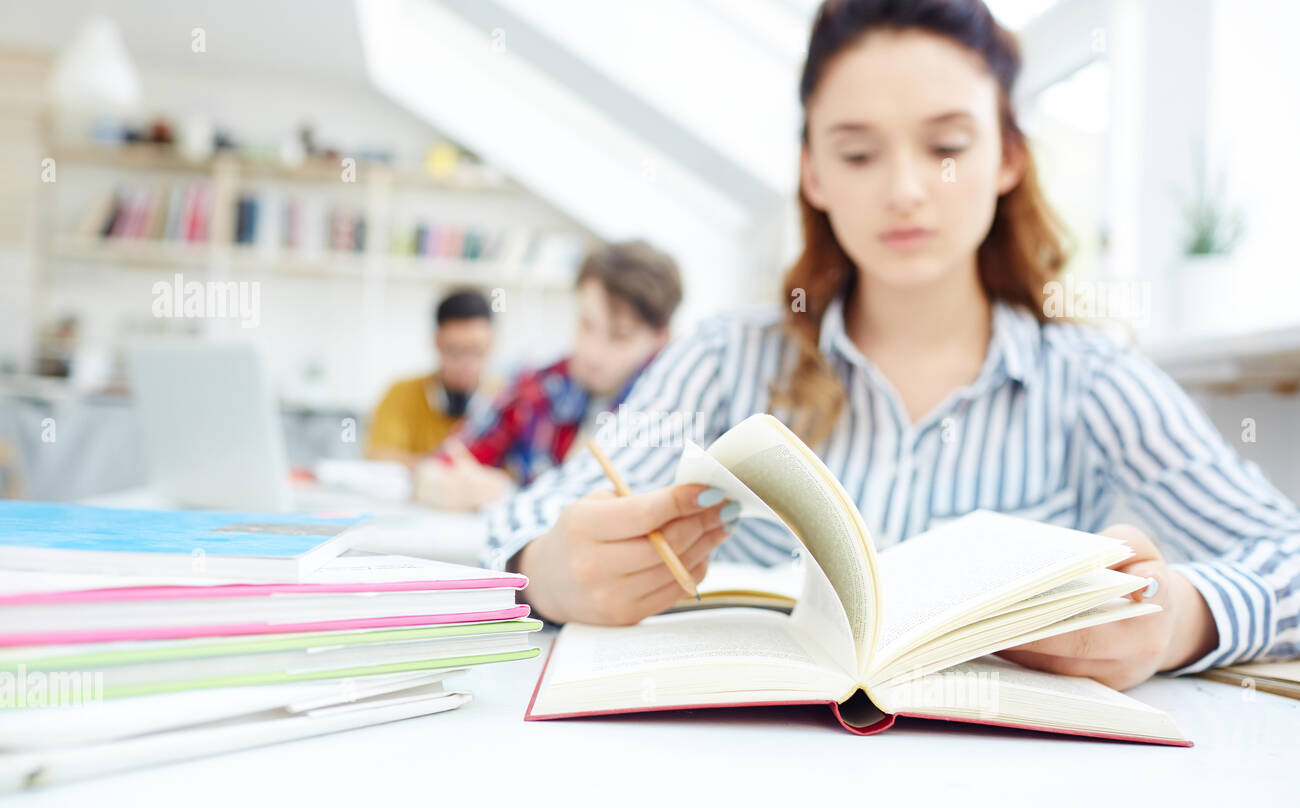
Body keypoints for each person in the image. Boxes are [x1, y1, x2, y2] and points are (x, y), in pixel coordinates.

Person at [480, 0, 1300, 691]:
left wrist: (1178, 619)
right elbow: (513, 525)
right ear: (813, 174)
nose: (906, 189)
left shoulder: (1091, 377)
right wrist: (553, 570)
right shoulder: (723, 358)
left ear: (1008, 156)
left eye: (946, 147)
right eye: (859, 152)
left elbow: (1288, 557)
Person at [416, 239, 683, 511]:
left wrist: (509, 498)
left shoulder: (672, 410)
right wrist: (446, 485)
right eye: (586, 324)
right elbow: (440, 463)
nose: (592, 351)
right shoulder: (537, 386)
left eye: (620, 336)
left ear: (660, 339)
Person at [365, 290, 494, 465]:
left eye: (476, 350)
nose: (466, 363)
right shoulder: (401, 394)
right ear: (437, 342)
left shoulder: (505, 401)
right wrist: (440, 466)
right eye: (454, 350)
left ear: (492, 343)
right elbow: (377, 457)